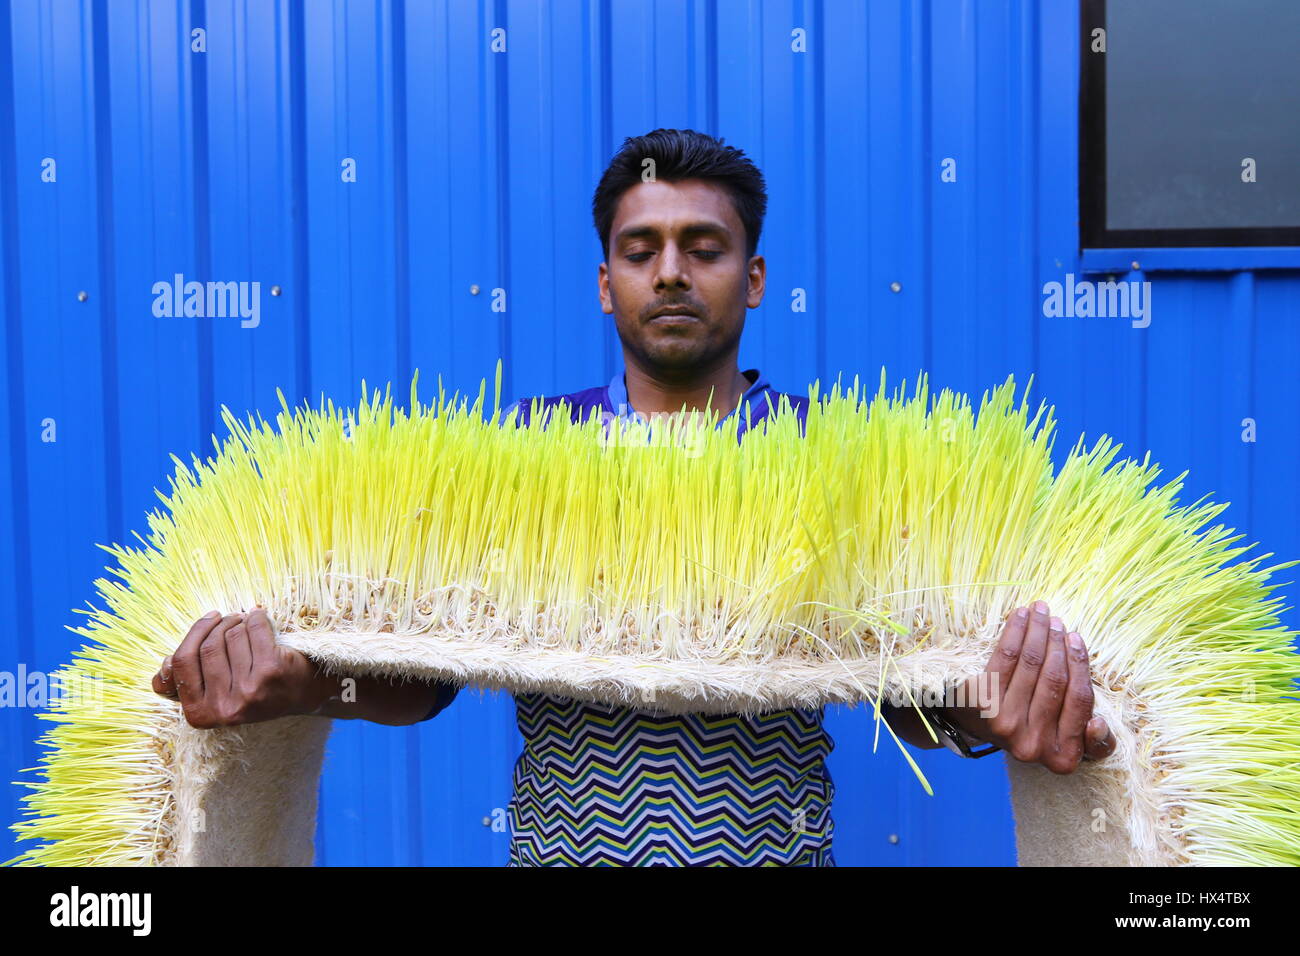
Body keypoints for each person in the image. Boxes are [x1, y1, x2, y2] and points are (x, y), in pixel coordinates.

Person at [152, 128, 1116, 866]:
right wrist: (314, 687)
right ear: (606, 283)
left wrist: (985, 712)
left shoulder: (839, 457)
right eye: (641, 248)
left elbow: (905, 691)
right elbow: (424, 676)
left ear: (755, 279)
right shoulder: (519, 450)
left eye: (704, 247)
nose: (671, 272)